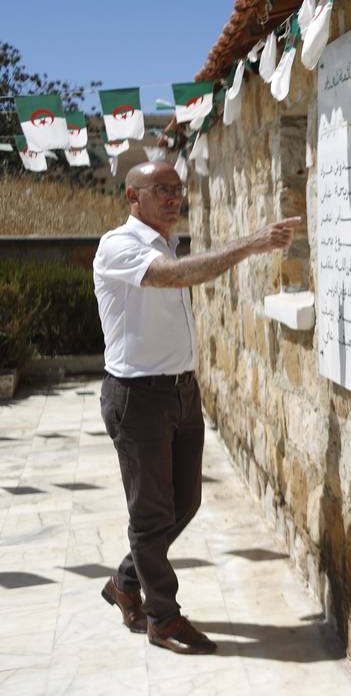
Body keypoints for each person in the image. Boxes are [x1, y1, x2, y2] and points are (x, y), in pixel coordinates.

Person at [92, 160, 301, 654]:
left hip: (181, 393)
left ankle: (125, 581)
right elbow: (175, 277)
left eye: (178, 189)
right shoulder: (118, 246)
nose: (173, 198)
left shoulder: (165, 242)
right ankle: (162, 618)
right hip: (138, 397)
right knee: (149, 517)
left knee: (184, 504)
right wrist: (251, 243)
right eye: (161, 189)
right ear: (132, 197)